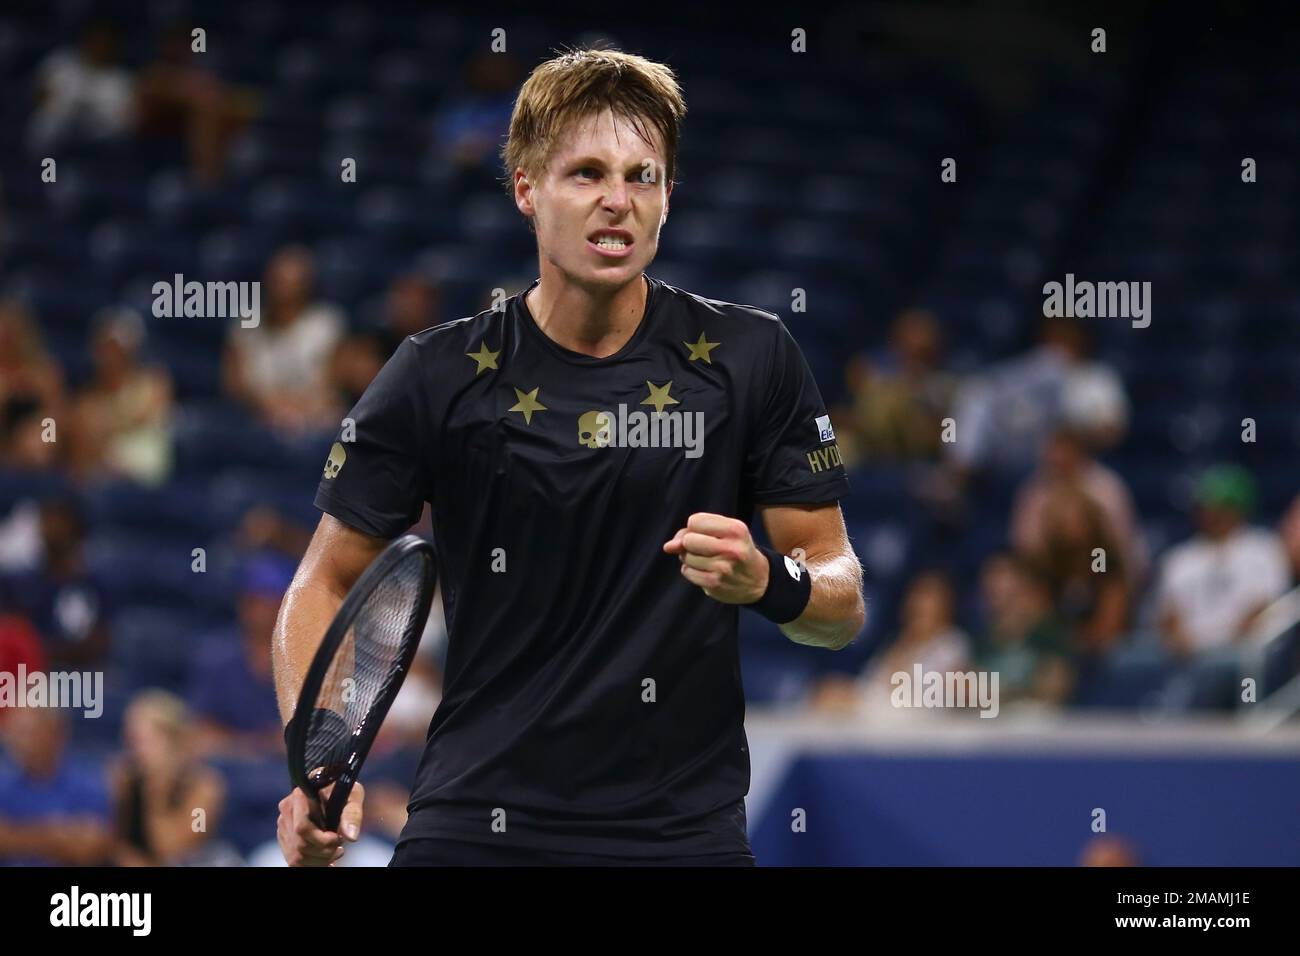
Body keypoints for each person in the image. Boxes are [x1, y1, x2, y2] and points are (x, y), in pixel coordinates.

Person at [273, 49, 865, 867]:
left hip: (679, 838)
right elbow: (324, 580)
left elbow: (840, 603)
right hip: (476, 823)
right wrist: (317, 766)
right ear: (526, 190)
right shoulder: (436, 374)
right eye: (585, 174)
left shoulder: (752, 358)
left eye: (643, 177)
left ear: (667, 200)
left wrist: (770, 581)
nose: (616, 202)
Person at [222, 245, 346, 434]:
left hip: (313, 417)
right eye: (277, 279)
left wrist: (296, 408)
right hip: (255, 415)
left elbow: (331, 383)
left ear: (306, 285)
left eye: (290, 281)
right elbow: (233, 382)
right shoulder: (247, 320)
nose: (282, 288)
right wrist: (269, 405)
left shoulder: (325, 322)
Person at [809, 571, 969, 718]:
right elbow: (871, 686)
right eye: (916, 598)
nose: (919, 606)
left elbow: (924, 707)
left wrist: (854, 702)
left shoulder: (951, 646)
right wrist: (846, 693)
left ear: (945, 607)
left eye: (929, 600)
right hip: (871, 723)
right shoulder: (896, 645)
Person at [110, 690, 230, 866]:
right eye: (131, 742)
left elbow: (175, 848)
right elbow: (114, 844)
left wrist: (156, 794)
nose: (136, 751)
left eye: (145, 742)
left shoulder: (206, 787)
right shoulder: (124, 779)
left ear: (175, 742)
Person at [187, 555, 291, 756]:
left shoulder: (305, 659)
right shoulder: (216, 656)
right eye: (256, 601)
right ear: (242, 603)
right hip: (228, 766)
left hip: (283, 770)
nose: (263, 611)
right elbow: (200, 733)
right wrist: (257, 745)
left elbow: (309, 738)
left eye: (272, 601)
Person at [0, 708, 114, 866]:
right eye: (15, 733)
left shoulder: (88, 783)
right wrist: (55, 834)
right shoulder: (4, 785)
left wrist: (17, 833)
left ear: (55, 732)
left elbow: (90, 849)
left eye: (28, 732)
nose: (17, 742)